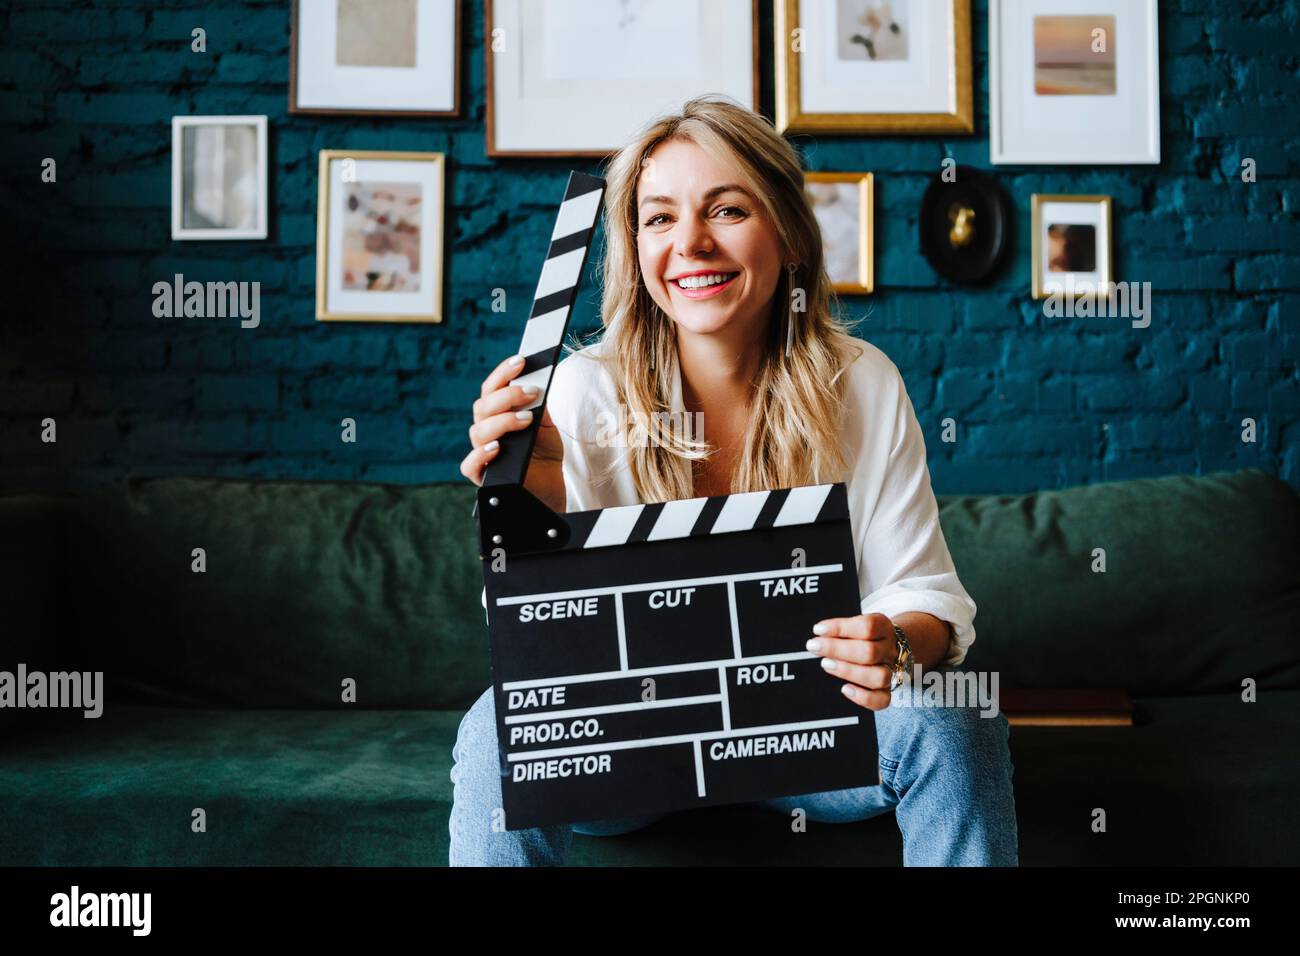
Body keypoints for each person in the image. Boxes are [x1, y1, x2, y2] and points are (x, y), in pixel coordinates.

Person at [451, 95, 1018, 866]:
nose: (690, 242)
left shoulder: (864, 385)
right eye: (658, 219)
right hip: (631, 738)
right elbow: (530, 643)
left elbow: (923, 597)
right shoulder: (580, 394)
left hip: (811, 726)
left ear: (785, 232)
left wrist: (891, 646)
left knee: (956, 717)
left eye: (725, 209)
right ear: (632, 246)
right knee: (495, 723)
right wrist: (532, 502)